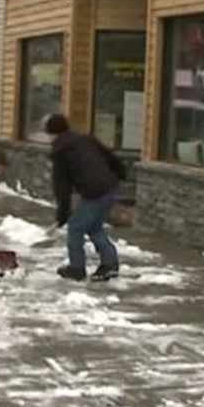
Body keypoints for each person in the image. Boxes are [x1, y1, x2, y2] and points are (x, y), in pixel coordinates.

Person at [44, 113, 126, 282]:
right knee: (94, 226)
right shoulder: (86, 139)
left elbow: (62, 187)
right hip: (108, 187)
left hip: (94, 191)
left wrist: (63, 214)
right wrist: (120, 174)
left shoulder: (60, 152)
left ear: (52, 133)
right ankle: (109, 265)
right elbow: (111, 157)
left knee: (75, 227)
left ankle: (77, 268)